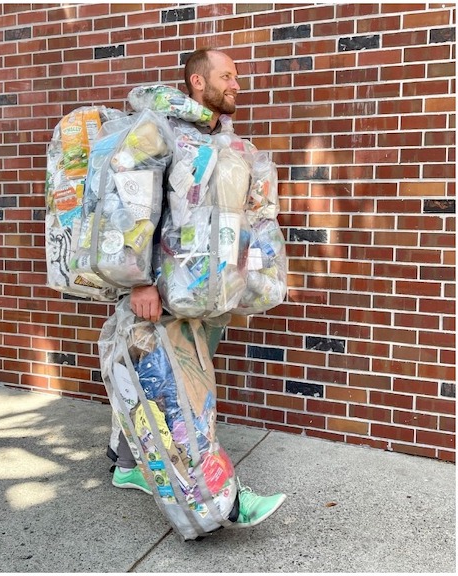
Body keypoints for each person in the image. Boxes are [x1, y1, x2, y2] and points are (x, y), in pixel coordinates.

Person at [108, 48, 287, 529]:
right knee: (188, 398)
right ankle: (224, 500)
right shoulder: (159, 132)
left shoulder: (226, 142)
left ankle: (127, 466)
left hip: (212, 295)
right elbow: (131, 208)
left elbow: (245, 222)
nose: (236, 84)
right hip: (166, 293)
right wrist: (139, 281)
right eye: (226, 76)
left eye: (237, 77)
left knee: (167, 386)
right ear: (196, 82)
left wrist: (251, 278)